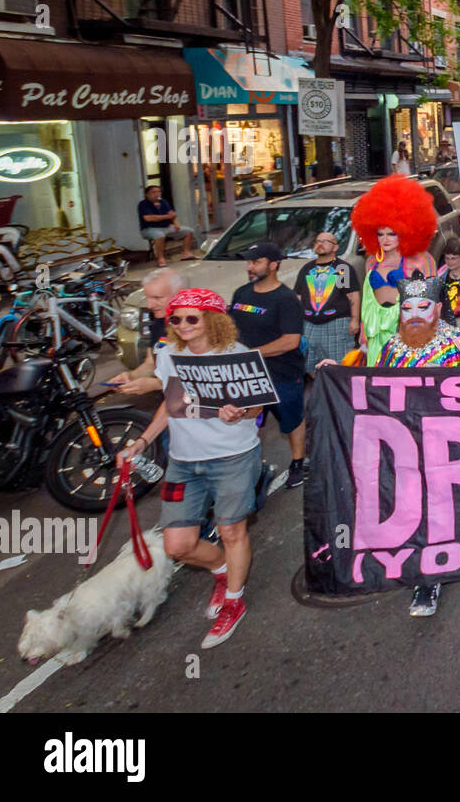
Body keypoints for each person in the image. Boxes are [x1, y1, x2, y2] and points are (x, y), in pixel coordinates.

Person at [321, 272, 460, 616]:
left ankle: (433, 574)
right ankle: (422, 568)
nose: (415, 315)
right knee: (412, 506)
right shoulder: (393, 345)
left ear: (437, 309)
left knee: (441, 507)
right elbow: (372, 384)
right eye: (407, 308)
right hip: (405, 443)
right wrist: (337, 374)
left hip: (449, 443)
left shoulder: (456, 340)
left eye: (423, 307)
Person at [118, 289, 263, 649]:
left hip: (233, 456)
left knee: (232, 532)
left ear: (213, 320)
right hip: (183, 462)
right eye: (176, 319)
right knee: (177, 545)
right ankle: (222, 570)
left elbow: (257, 406)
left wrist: (240, 411)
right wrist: (142, 442)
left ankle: (234, 600)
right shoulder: (169, 355)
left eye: (191, 318)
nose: (182, 325)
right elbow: (171, 405)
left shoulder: (238, 356)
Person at [229, 242, 307, 489]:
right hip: (248, 374)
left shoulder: (286, 299)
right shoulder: (241, 293)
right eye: (249, 262)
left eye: (256, 262)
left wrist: (251, 354)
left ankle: (298, 462)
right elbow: (231, 329)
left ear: (273, 265)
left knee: (291, 420)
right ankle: (253, 466)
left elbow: (291, 341)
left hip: (282, 373)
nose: (250, 267)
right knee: (249, 421)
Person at [350, 175, 437, 363]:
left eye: (392, 233)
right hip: (376, 332)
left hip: (406, 331)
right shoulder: (371, 262)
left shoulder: (421, 260)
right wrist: (364, 334)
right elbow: (368, 301)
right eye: (380, 234)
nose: (385, 239)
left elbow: (432, 301)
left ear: (406, 232)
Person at [294, 232, 361, 375]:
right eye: (317, 241)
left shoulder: (342, 269)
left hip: (336, 324)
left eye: (325, 241)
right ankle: (321, 392)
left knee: (339, 366)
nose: (320, 244)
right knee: (310, 367)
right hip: (309, 325)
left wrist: (355, 320)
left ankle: (338, 395)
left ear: (335, 247)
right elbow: (298, 296)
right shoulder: (306, 269)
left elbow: (353, 295)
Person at [111, 266, 185, 395]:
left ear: (179, 294)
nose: (150, 305)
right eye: (148, 298)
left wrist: (157, 384)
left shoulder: (196, 325)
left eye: (158, 298)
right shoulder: (161, 322)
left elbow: (205, 375)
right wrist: (130, 376)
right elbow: (152, 362)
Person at [137, 185, 196, 266]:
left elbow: (172, 214)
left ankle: (186, 253)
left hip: (166, 226)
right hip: (150, 228)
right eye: (154, 192)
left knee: (189, 231)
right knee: (160, 235)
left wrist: (176, 223)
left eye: (158, 192)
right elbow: (149, 218)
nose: (157, 194)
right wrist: (167, 217)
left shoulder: (163, 202)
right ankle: (160, 258)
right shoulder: (143, 204)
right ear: (147, 194)